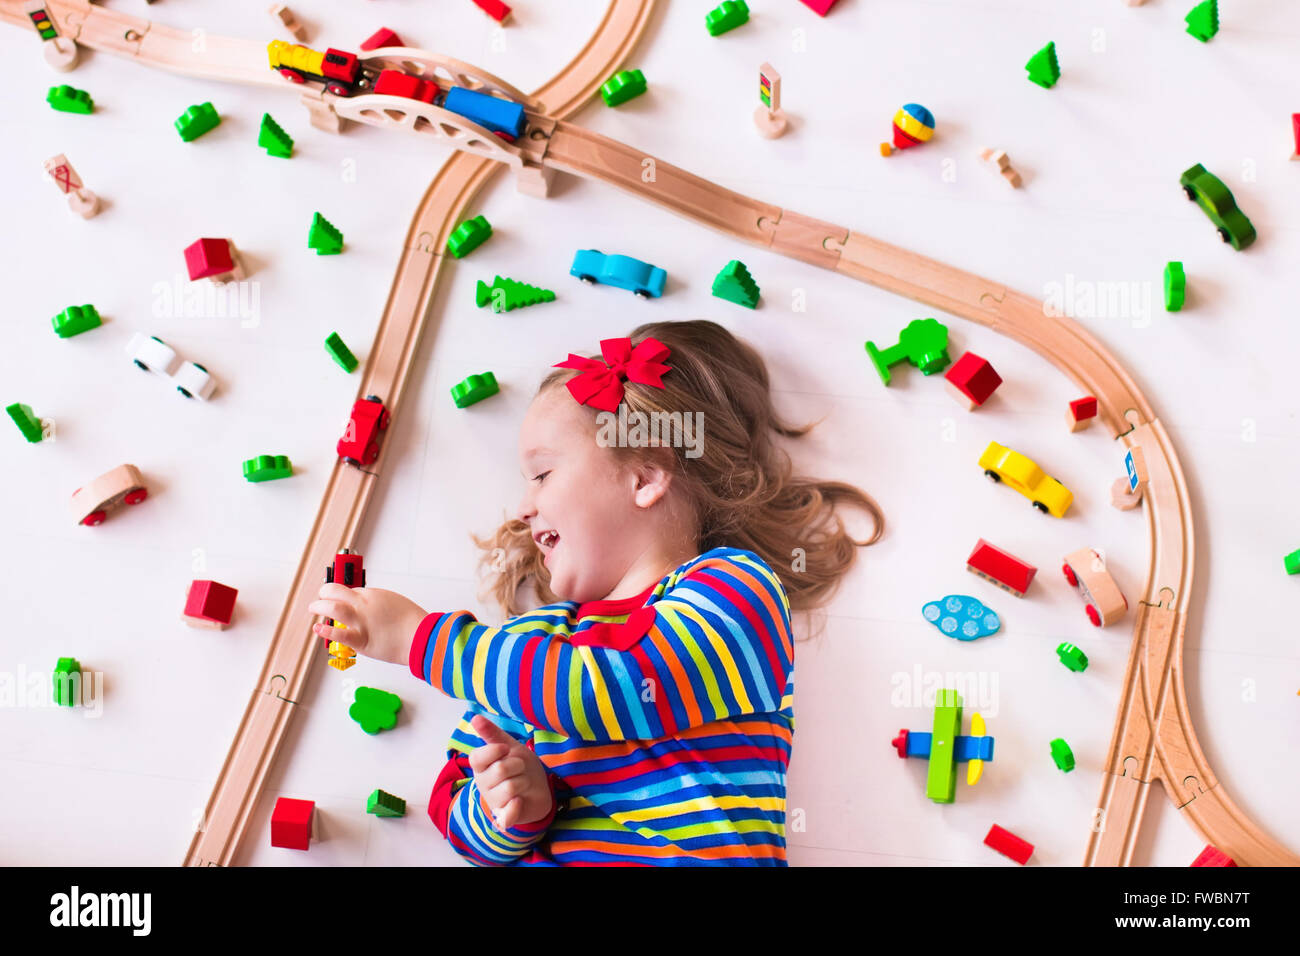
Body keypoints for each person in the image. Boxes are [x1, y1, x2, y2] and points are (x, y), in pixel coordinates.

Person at [309, 319, 883, 865]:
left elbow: (610, 688)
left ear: (645, 476)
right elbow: (455, 811)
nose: (524, 507)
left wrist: (418, 638)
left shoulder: (735, 592)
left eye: (541, 474)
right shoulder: (522, 646)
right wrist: (512, 810)